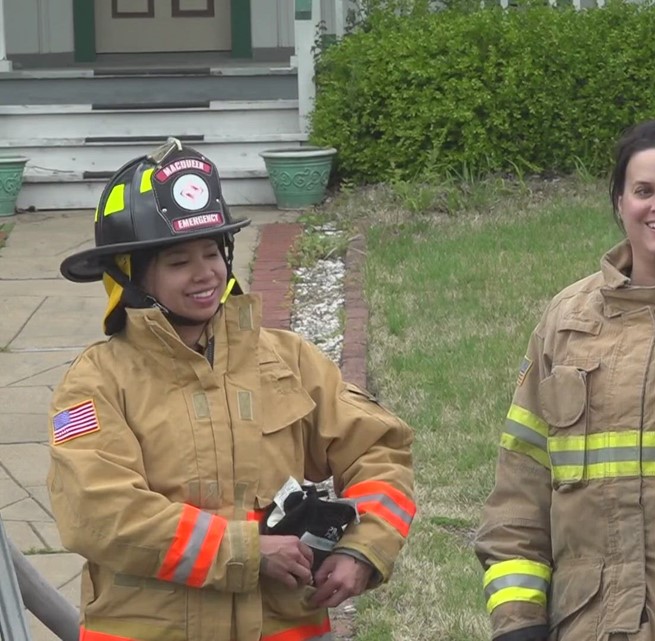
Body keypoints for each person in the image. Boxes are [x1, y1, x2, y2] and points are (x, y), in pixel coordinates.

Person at [47, 139, 416, 641]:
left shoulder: (286, 360)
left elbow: (379, 449)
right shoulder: (97, 383)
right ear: (131, 274)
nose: (205, 274)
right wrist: (243, 549)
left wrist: (364, 548)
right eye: (179, 262)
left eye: (212, 253)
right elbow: (99, 513)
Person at [474, 119, 655, 641]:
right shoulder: (565, 319)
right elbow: (520, 487)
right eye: (643, 191)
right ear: (619, 202)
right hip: (587, 622)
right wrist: (518, 623)